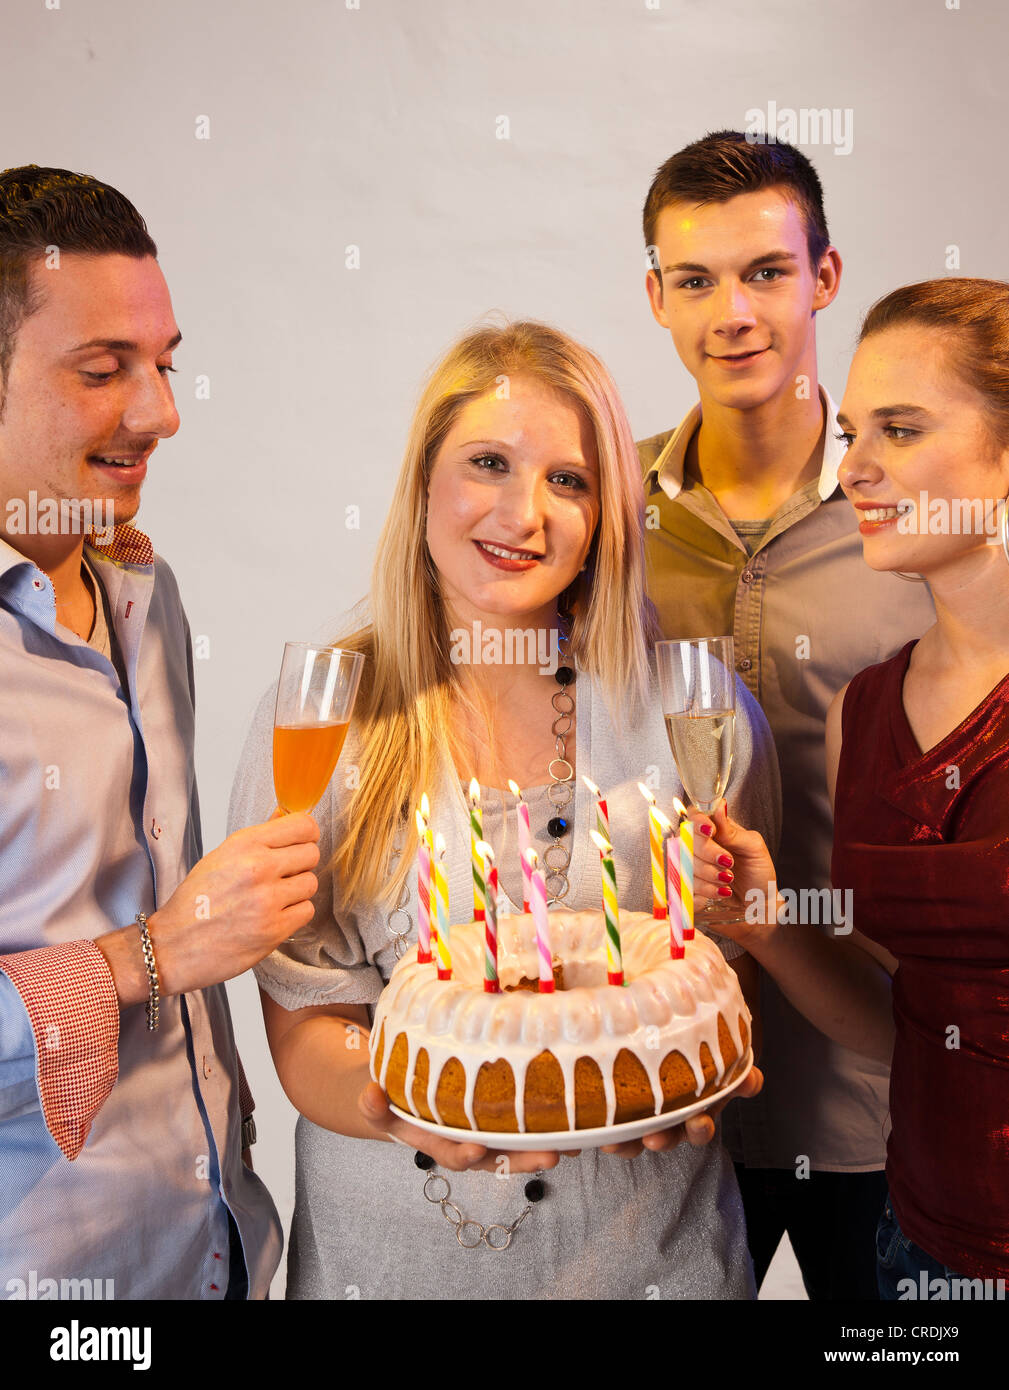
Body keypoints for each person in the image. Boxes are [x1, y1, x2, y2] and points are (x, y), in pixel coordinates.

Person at [229, 319, 782, 1300]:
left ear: (608, 507)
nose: (524, 514)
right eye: (488, 462)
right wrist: (399, 1099)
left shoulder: (691, 711)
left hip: (652, 1261)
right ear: (424, 484)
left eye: (567, 479)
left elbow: (712, 989)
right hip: (394, 1266)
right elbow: (305, 1021)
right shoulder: (324, 716)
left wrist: (739, 942)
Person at [0, 166, 321, 1299]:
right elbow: (171, 943)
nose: (162, 413)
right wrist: (158, 954)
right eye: (103, 371)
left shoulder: (144, 590)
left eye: (163, 363)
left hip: (218, 1245)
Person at [636, 130, 936, 1299]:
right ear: (653, 295)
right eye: (696, 280)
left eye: (765, 272)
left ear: (823, 277)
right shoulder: (602, 516)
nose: (733, 313)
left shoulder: (915, 512)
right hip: (678, 1087)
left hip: (886, 1084)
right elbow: (437, 594)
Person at [687, 277, 1009, 1295]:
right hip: (912, 1245)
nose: (854, 466)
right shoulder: (864, 708)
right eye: (855, 430)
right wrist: (767, 920)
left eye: (901, 430)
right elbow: (896, 1021)